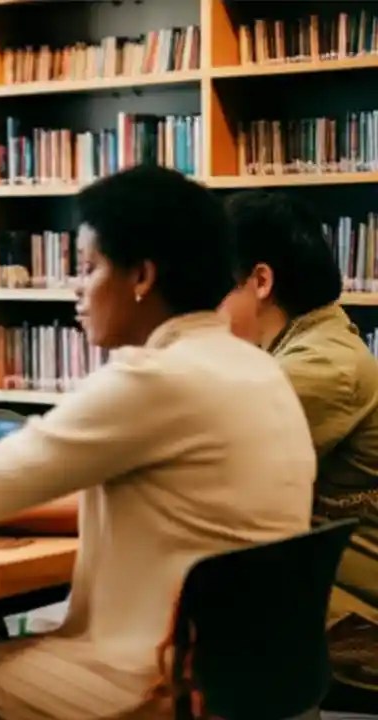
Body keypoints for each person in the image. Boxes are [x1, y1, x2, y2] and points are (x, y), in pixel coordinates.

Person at [0, 165, 316, 719]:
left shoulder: (152, 378)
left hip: (153, 678)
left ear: (142, 276)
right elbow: (149, 505)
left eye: (89, 268)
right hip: (243, 671)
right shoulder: (256, 368)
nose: (77, 288)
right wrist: (0, 514)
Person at [219, 190, 378, 704]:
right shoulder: (304, 352)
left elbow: (185, 469)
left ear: (260, 282)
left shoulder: (320, 369)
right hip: (321, 602)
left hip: (357, 628)